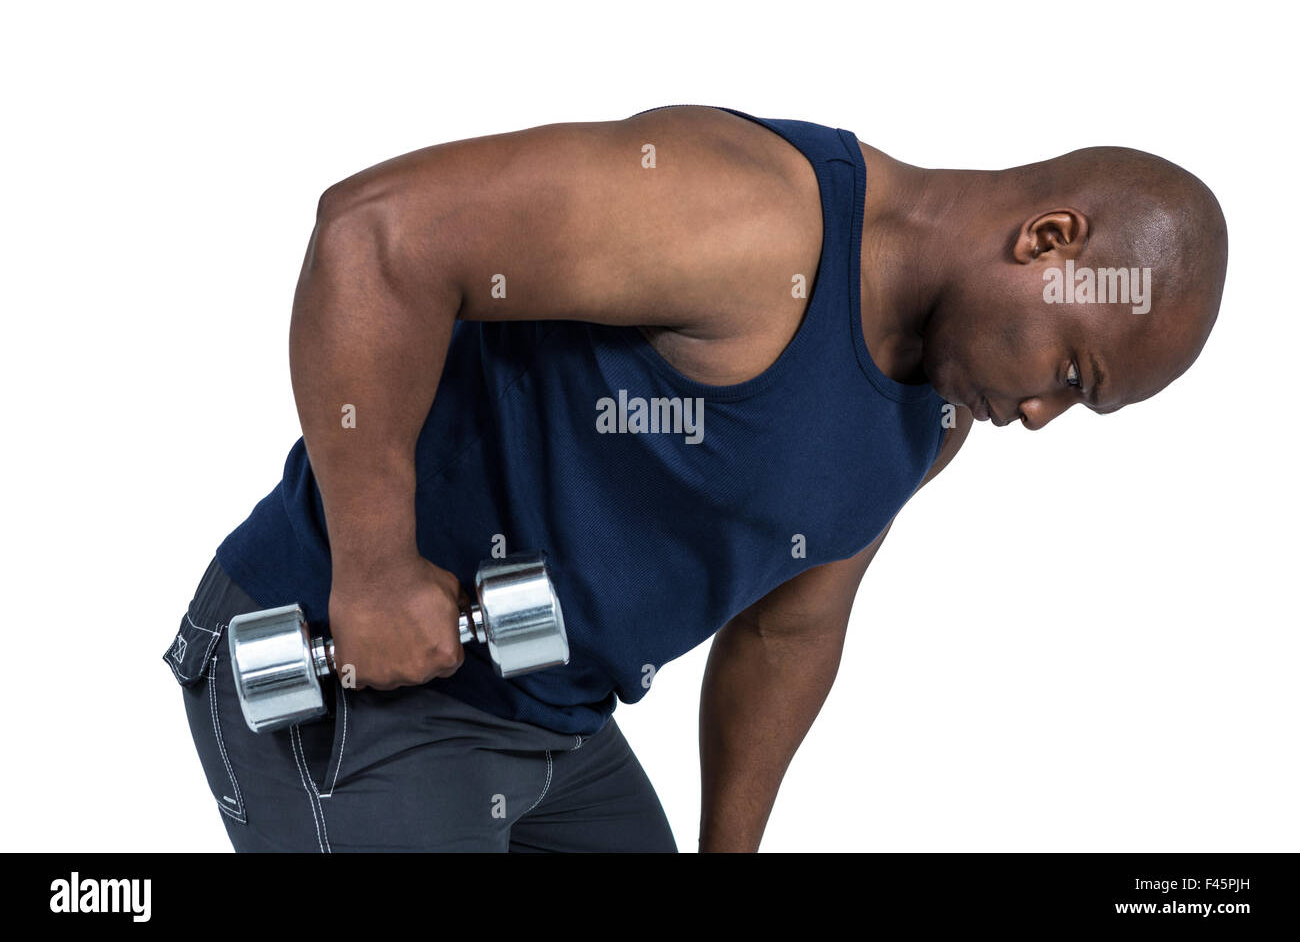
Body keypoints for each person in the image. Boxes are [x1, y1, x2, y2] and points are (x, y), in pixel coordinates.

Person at [163, 104, 1228, 852]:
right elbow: (377, 234)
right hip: (352, 677)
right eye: (1070, 374)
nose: (1040, 415)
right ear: (1049, 240)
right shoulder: (750, 213)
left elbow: (790, 629)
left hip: (558, 726)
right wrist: (374, 569)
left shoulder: (939, 410)